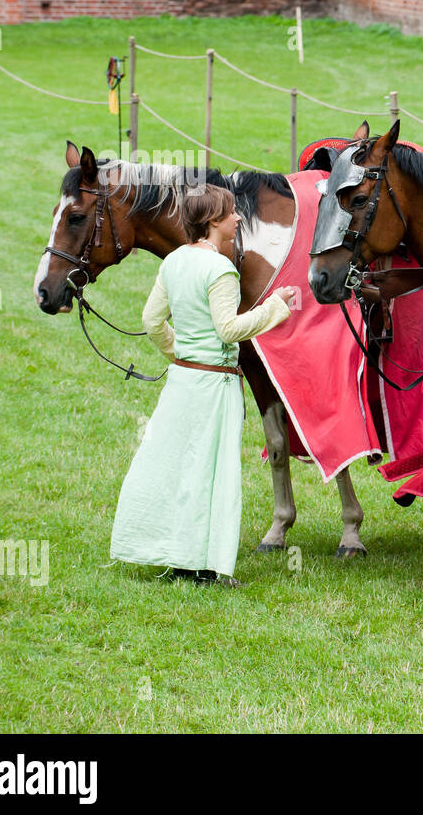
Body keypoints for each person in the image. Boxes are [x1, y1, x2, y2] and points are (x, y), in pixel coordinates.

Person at [110, 185, 295, 586]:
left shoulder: (174, 261)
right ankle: (206, 568)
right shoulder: (222, 269)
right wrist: (276, 306)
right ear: (213, 222)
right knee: (212, 473)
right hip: (213, 387)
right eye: (232, 212)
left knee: (179, 468)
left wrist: (182, 353)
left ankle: (181, 559)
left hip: (182, 380)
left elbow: (150, 320)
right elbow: (229, 329)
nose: (240, 218)